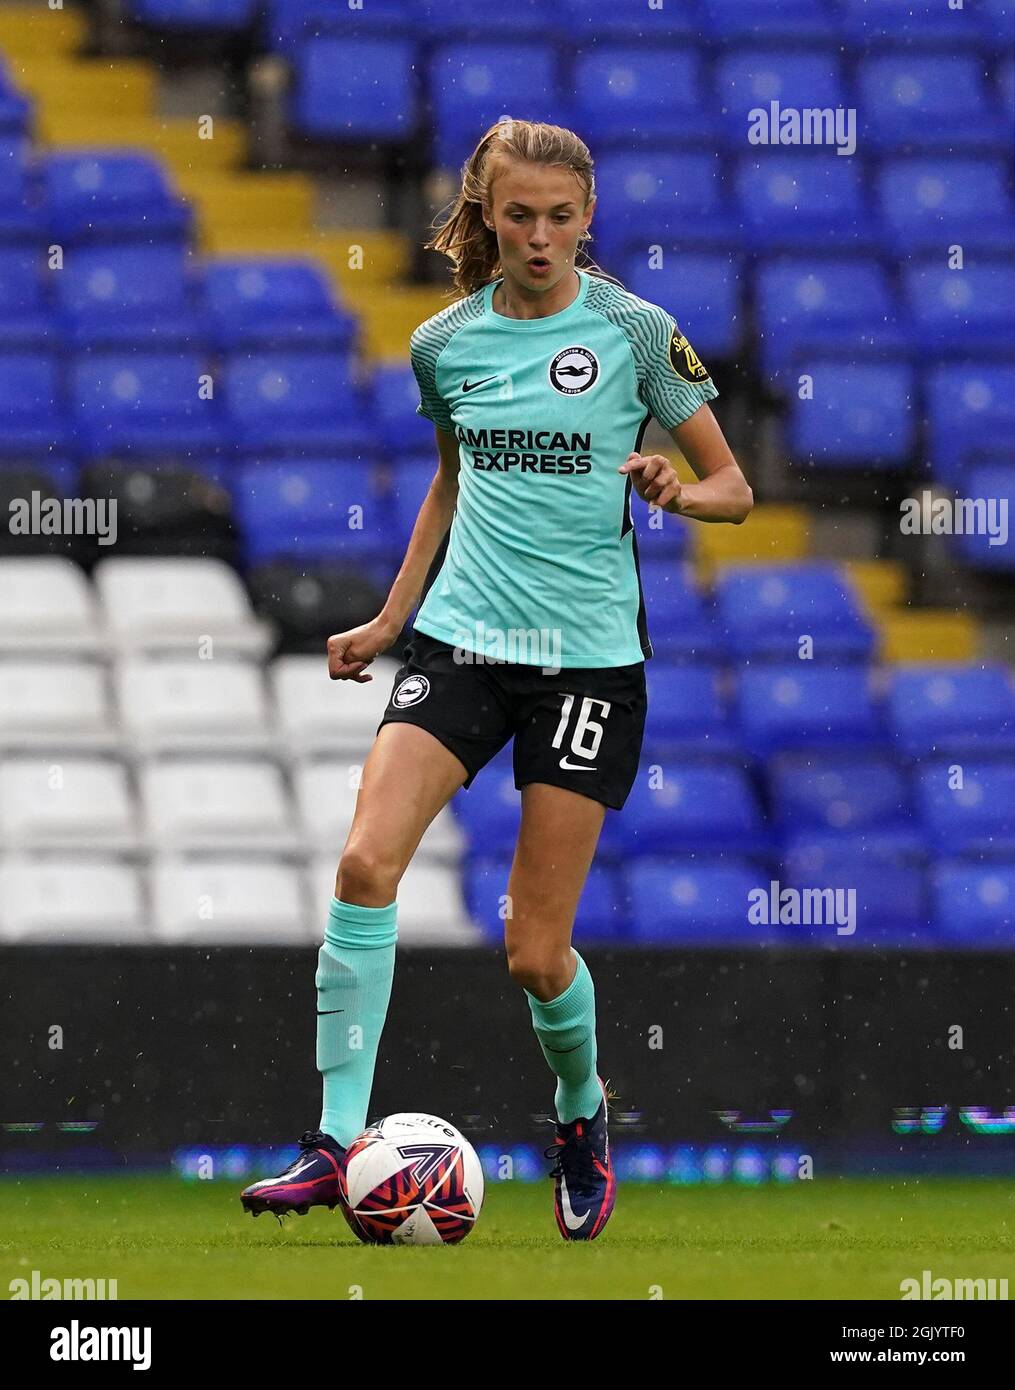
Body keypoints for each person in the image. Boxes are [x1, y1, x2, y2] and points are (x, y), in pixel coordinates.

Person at [241, 118, 752, 1241]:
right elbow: (448, 485)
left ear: (588, 218)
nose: (539, 237)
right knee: (366, 860)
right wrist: (388, 619)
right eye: (517, 215)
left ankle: (578, 1112)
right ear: (484, 217)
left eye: (560, 217)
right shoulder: (445, 343)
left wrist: (673, 490)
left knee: (533, 949)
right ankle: (333, 1143)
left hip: (586, 666)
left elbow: (736, 490)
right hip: (461, 644)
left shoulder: (633, 332)